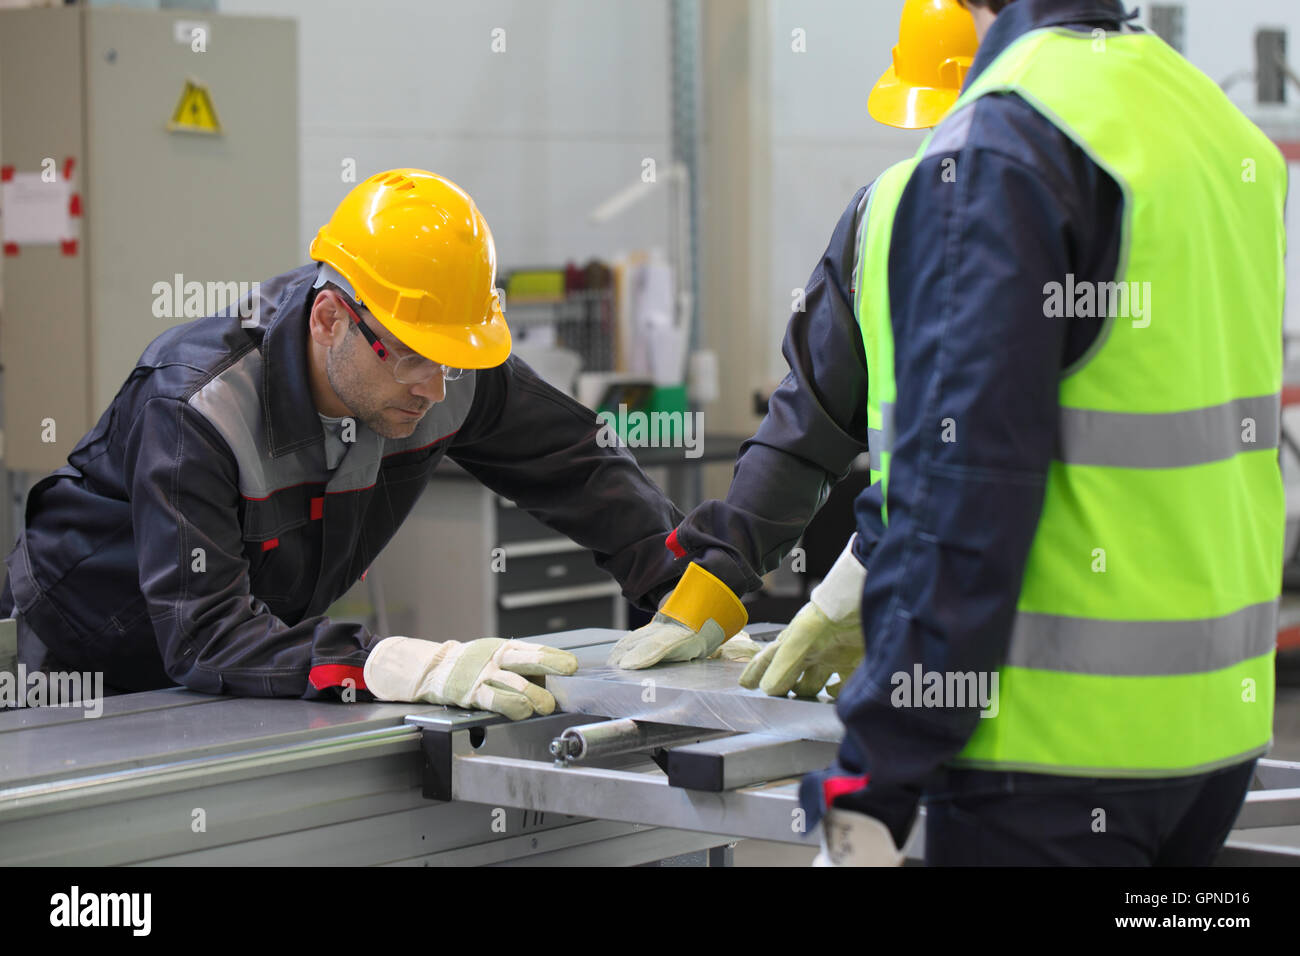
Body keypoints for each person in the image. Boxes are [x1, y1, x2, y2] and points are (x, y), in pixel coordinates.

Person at [802, 0, 1287, 866]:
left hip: (1046, 764)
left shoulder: (1004, 145)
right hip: (1213, 742)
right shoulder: (1217, 128)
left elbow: (964, 489)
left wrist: (870, 782)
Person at [0, 169, 691, 718]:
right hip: (86, 655)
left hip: (240, 652)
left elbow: (579, 463)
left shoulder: (446, 371)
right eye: (411, 357)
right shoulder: (197, 406)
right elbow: (205, 633)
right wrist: (391, 664)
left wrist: (690, 591)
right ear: (330, 317)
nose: (433, 387)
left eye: (451, 361)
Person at [607, 0, 978, 709]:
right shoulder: (885, 213)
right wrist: (716, 581)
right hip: (948, 635)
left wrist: (858, 578)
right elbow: (810, 421)